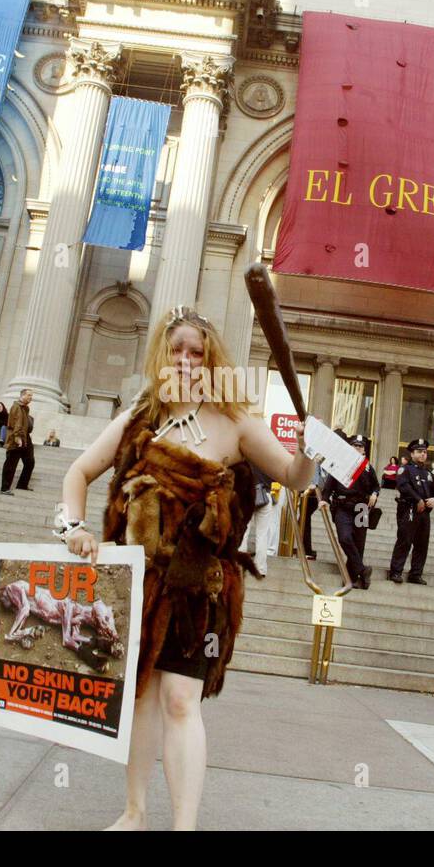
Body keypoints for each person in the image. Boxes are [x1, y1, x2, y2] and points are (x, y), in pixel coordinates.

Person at [59, 304, 314, 830]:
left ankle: (184, 825)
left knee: (179, 698)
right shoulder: (140, 419)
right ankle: (134, 812)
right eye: (176, 350)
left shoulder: (235, 421)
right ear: (161, 355)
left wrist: (309, 450)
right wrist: (74, 530)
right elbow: (78, 473)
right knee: (142, 697)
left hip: (201, 587)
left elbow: (293, 476)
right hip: (139, 581)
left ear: (212, 359)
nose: (186, 360)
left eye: (196, 351)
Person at [320, 433, 380, 589]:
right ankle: (362, 570)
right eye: (355, 445)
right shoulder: (340, 463)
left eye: (360, 446)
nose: (357, 448)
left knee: (359, 544)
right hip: (343, 506)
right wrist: (324, 499)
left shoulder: (367, 467)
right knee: (345, 538)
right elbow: (329, 484)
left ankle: (352, 578)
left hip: (362, 508)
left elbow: (376, 485)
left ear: (364, 451)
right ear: (349, 447)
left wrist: (375, 493)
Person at [388, 437, 434, 584]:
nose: (423, 454)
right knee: (405, 539)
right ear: (412, 454)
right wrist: (418, 499)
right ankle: (396, 571)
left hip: (424, 513)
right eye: (419, 452)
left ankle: (416, 573)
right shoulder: (405, 469)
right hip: (409, 508)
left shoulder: (429, 473)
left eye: (424, 452)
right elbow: (403, 486)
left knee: (422, 543)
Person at [240, 465, 277, 576]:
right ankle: (260, 568)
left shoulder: (246, 458)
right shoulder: (267, 461)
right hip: (265, 495)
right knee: (262, 534)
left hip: (247, 496)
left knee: (243, 532)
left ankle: (240, 566)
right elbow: (275, 479)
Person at [0, 388, 35, 494]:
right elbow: (16, 423)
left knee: (30, 462)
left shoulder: (25, 408)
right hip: (17, 437)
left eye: (31, 396)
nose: (30, 398)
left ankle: (22, 485)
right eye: (29, 395)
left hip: (25, 437)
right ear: (22, 395)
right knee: (11, 463)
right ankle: (5, 488)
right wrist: (17, 437)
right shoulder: (16, 407)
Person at [299, 461, 327, 560]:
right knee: (303, 519)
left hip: (312, 492)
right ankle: (306, 549)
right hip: (311, 491)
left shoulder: (316, 457)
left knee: (303, 519)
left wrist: (313, 484)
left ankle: (306, 550)